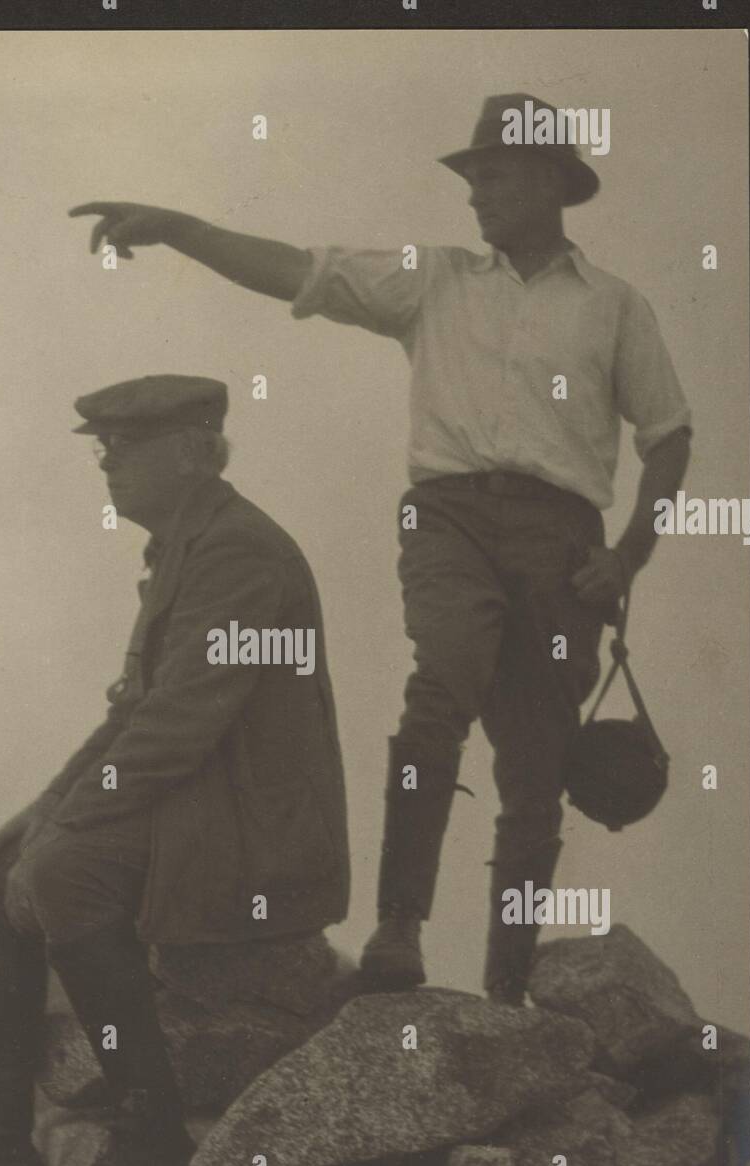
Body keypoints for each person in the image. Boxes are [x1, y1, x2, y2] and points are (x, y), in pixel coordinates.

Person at [70, 93, 692, 1003]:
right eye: (471, 178)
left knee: (535, 766)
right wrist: (178, 227)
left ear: (552, 180)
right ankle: (398, 930)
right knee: (438, 689)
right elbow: (298, 271)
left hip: (564, 541)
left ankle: (506, 989)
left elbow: (668, 434)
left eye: (495, 175)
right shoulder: (435, 280)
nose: (476, 194)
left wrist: (630, 554)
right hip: (447, 521)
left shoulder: (615, 308)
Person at [0, 374, 349, 1166]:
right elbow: (133, 709)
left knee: (64, 873)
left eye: (122, 448)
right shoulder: (183, 544)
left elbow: (177, 723)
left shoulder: (239, 553)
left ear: (192, 454)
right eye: (102, 449)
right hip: (203, 807)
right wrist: (33, 815)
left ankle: (151, 1145)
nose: (105, 465)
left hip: (254, 833)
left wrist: (61, 831)